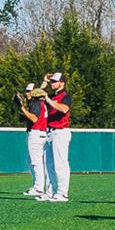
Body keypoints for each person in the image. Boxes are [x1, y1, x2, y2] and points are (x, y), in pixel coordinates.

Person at [41, 72, 72, 203]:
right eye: (52, 81)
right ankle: (50, 192)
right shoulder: (53, 95)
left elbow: (64, 109)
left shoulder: (66, 96)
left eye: (55, 81)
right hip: (49, 132)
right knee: (48, 164)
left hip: (61, 132)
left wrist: (48, 99)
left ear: (62, 83)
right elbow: (38, 93)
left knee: (60, 164)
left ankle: (62, 193)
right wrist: (44, 82)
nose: (52, 83)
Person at [19, 83, 50, 198]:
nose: (26, 93)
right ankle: (38, 186)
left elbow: (34, 118)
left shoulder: (36, 103)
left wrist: (22, 108)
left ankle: (38, 188)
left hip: (36, 133)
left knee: (36, 162)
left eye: (29, 91)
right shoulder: (40, 102)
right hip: (41, 133)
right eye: (26, 90)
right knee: (34, 162)